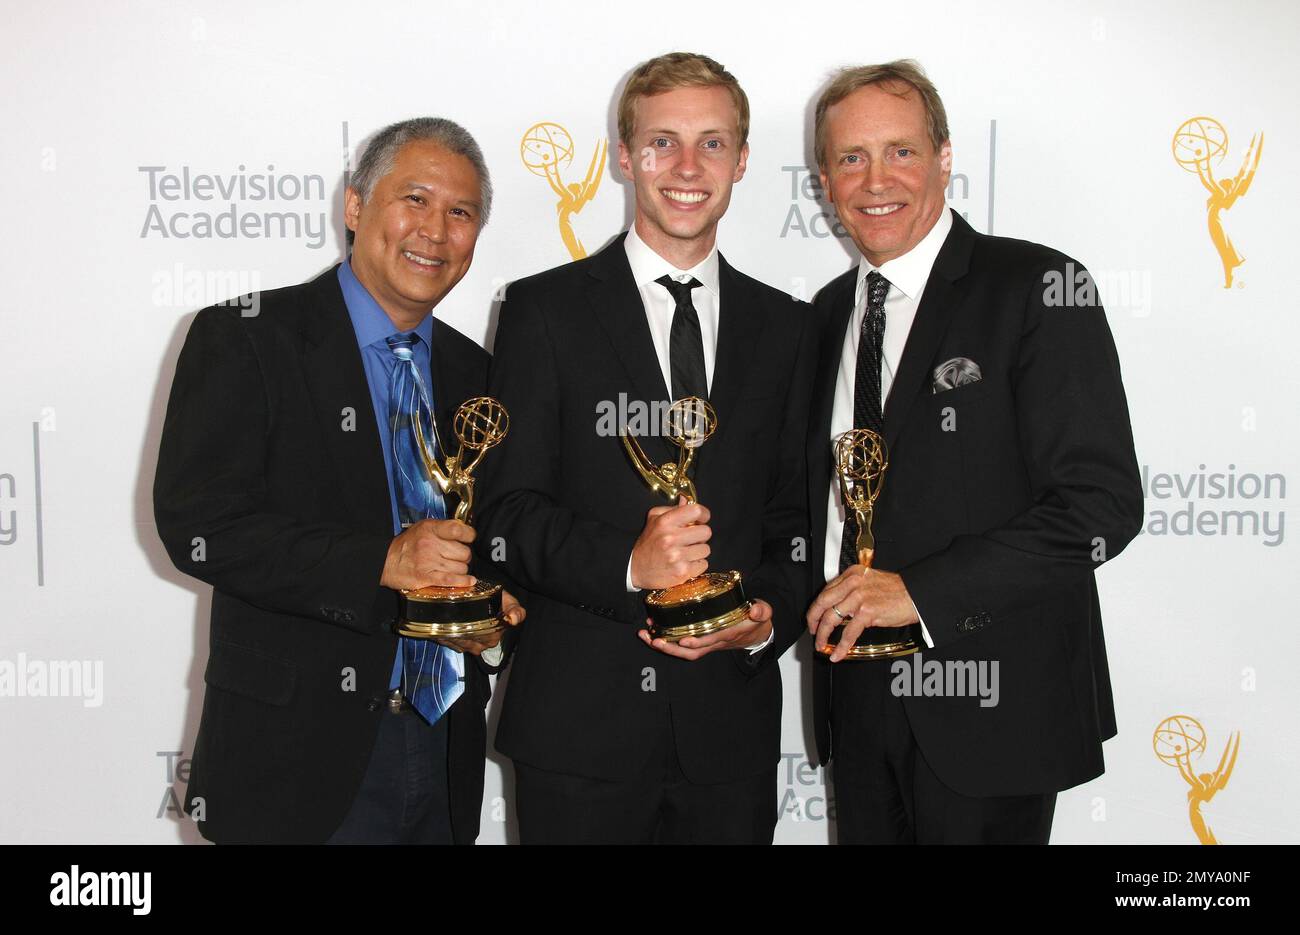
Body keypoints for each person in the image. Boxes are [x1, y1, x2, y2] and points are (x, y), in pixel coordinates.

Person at [154, 117, 523, 844]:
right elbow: (200, 527)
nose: (435, 231)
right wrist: (381, 562)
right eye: (413, 199)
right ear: (354, 206)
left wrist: (503, 585)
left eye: (461, 212)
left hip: (443, 743)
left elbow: (483, 526)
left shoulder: (478, 377)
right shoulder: (247, 337)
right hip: (294, 758)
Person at [477, 52, 815, 844]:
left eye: (712, 142)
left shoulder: (789, 328)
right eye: (662, 142)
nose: (687, 167)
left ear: (741, 160)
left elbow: (798, 517)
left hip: (728, 737)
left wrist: (767, 616)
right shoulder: (541, 312)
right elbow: (505, 512)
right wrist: (630, 562)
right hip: (577, 738)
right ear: (625, 158)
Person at [803, 61, 1143, 844]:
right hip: (854, 700)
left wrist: (918, 593)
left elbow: (1101, 505)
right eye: (851, 157)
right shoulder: (823, 318)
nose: (876, 178)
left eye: (902, 151)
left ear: (946, 157)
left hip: (997, 706)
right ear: (823, 179)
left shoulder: (1041, 287)